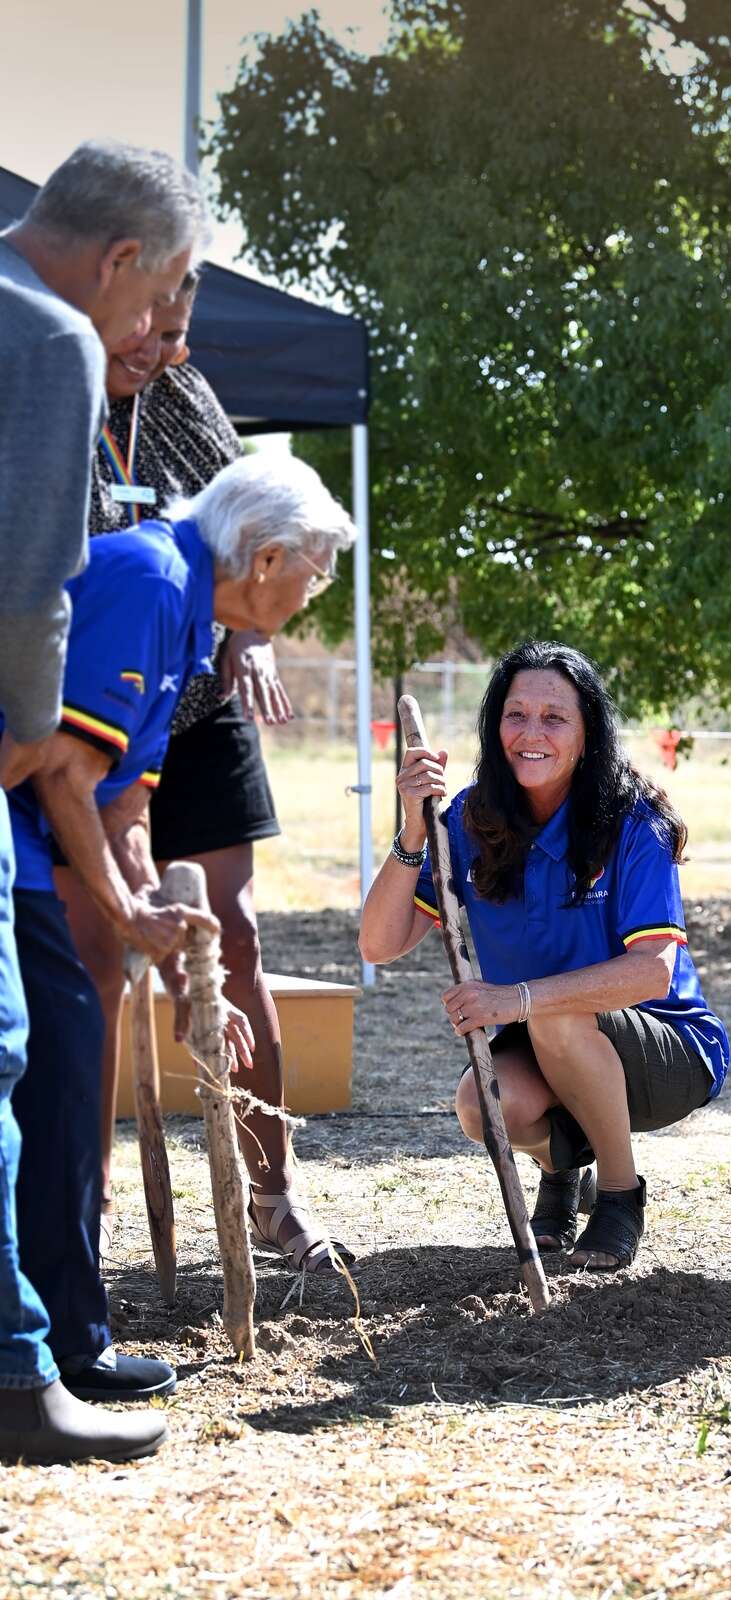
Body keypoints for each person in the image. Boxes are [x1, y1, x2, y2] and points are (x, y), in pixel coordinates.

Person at [3, 453, 355, 1425]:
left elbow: (126, 804)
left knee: (64, 1068)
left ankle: (68, 1340)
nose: (317, 589)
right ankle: (57, 1347)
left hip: (32, 845)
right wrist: (128, 917)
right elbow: (64, 775)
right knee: (59, 1069)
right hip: (18, 841)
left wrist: (174, 952)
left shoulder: (191, 616)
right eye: (317, 568)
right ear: (267, 557)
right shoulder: (152, 581)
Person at [56, 272, 333, 1274]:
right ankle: (76, 1212)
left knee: (231, 936)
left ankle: (272, 1189)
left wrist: (248, 639)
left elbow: (255, 536)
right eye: (150, 328)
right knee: (89, 953)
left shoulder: (182, 395)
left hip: (188, 689)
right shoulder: (42, 379)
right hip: (85, 692)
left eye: (177, 333)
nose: (162, 350)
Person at [0, 138, 207, 1463]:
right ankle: (18, 1377)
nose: (149, 330)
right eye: (155, 294)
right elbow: (30, 586)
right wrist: (24, 736)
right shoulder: (48, 339)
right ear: (120, 257)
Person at [359, 642, 729, 1270]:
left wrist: (514, 1000)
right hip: (548, 1041)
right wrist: (415, 830)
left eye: (554, 717)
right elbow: (378, 943)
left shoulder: (635, 821)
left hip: (668, 1050)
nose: (532, 733)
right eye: (516, 715)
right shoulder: (470, 819)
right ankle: (560, 1174)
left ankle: (619, 1195)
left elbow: (652, 971)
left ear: (588, 735)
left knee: (554, 1014)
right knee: (482, 1104)